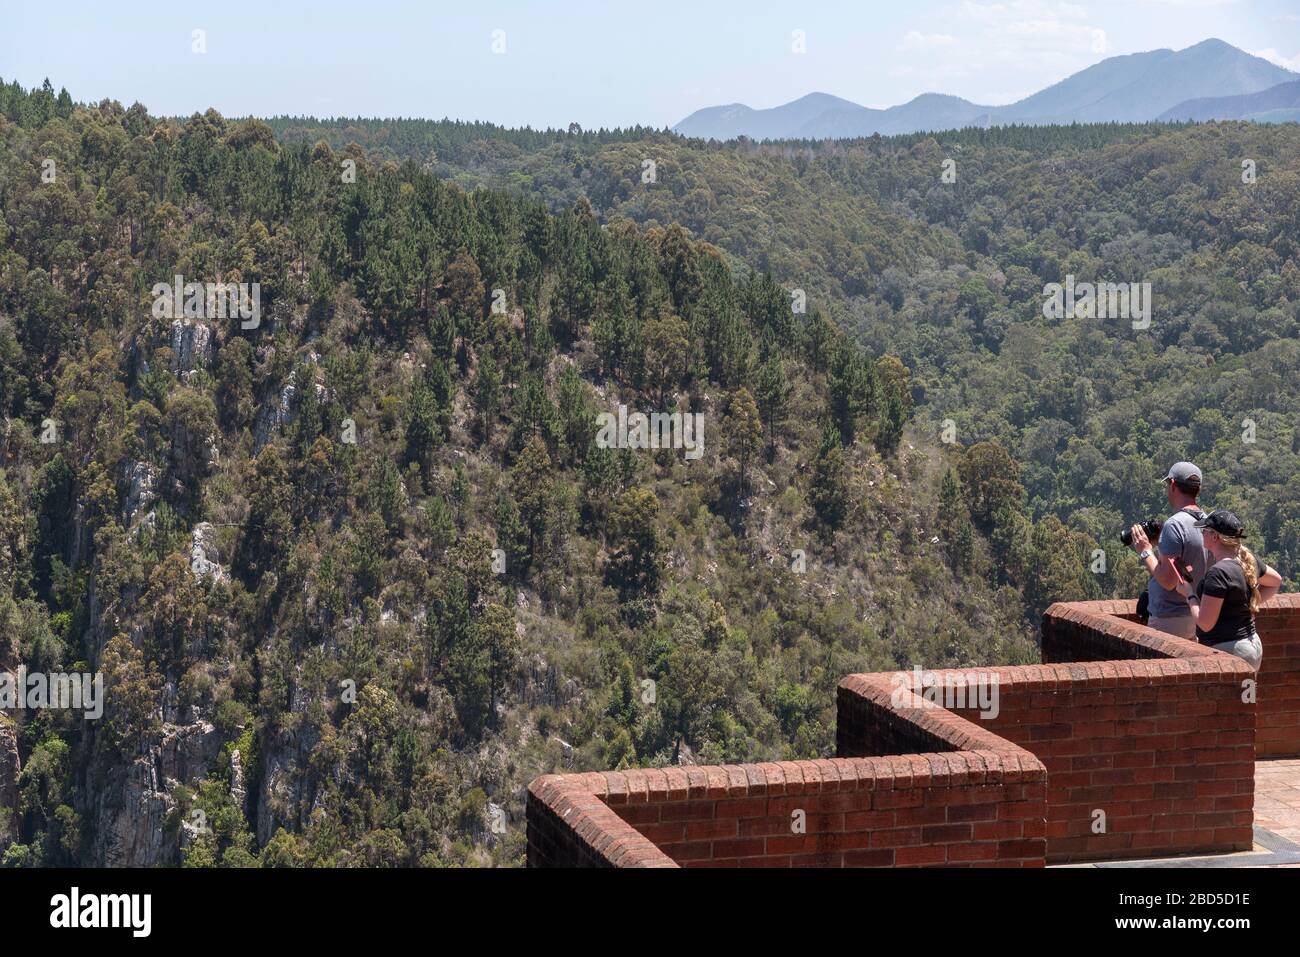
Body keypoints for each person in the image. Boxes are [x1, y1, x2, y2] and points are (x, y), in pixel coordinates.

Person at [1176, 510, 1281, 668]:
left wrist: (1189, 593)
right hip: (1250, 644)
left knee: (1232, 694)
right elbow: (1275, 581)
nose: (1202, 533)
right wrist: (1248, 605)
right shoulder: (1247, 561)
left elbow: (1205, 623)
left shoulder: (1218, 573)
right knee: (1247, 693)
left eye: (1204, 530)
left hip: (1230, 651)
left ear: (1215, 536)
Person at [1127, 461, 1209, 639]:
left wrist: (1145, 550)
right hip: (1195, 613)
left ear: (1172, 485)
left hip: (1168, 617)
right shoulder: (1208, 522)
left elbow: (1168, 580)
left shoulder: (1175, 524)